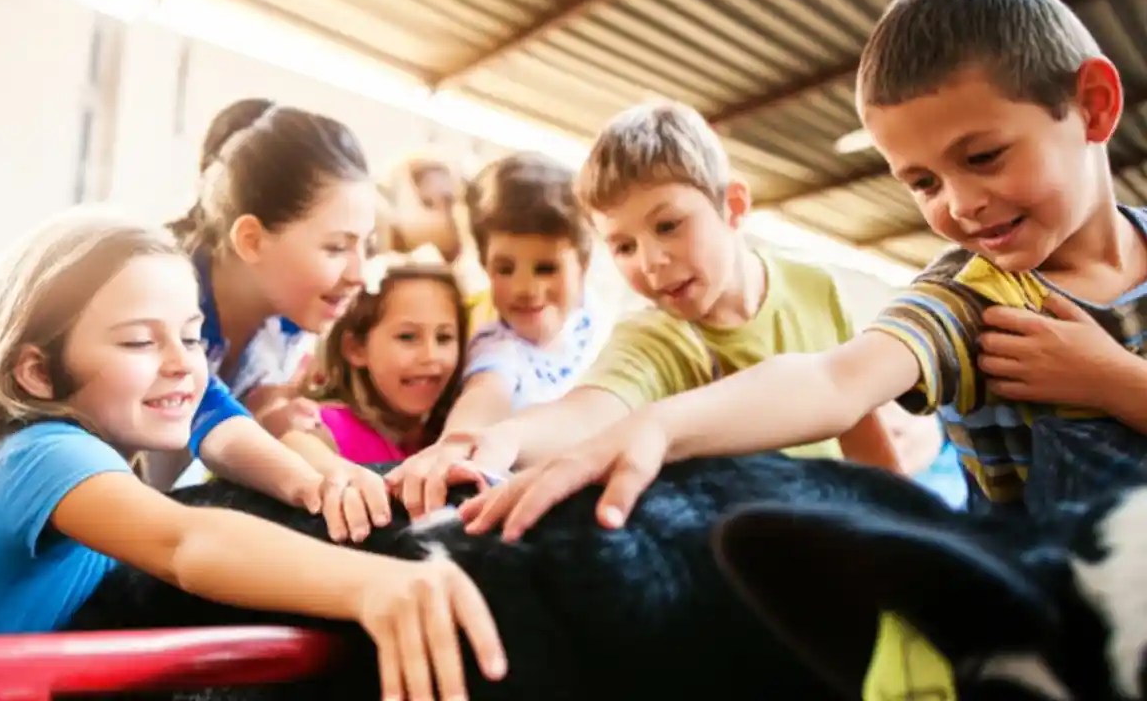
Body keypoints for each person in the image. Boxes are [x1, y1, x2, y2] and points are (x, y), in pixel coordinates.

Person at [460, 0, 1145, 539]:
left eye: (983, 156)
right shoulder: (971, 304)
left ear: (1092, 106)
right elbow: (832, 382)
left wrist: (1113, 381)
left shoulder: (808, 286)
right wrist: (659, 426)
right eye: (924, 183)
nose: (961, 205)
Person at [0, 213, 506, 699]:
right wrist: (374, 581)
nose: (182, 363)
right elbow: (185, 542)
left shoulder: (86, 456)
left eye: (194, 337)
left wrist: (372, 482)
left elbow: (233, 441)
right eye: (140, 341)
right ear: (36, 372)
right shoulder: (42, 454)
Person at [404, 100, 905, 519]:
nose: (652, 262)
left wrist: (911, 523)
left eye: (668, 226)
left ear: (732, 205)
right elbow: (588, 412)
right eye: (623, 246)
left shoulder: (814, 285)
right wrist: (494, 438)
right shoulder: (654, 338)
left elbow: (862, 429)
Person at [165, 99, 392, 541]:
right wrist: (317, 482)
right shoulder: (163, 302)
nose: (360, 274)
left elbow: (261, 405)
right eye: (335, 248)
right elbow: (210, 417)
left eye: (365, 246)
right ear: (251, 239)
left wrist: (330, 467)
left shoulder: (284, 319)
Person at [386, 152, 609, 518]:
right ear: (484, 264)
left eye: (546, 268)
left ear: (583, 265)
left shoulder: (592, 316)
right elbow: (486, 393)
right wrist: (458, 441)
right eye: (505, 268)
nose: (525, 288)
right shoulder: (500, 347)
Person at [290, 264, 466, 472]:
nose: (431, 356)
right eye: (407, 337)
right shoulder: (322, 429)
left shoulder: (454, 436)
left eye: (444, 338)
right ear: (356, 349)